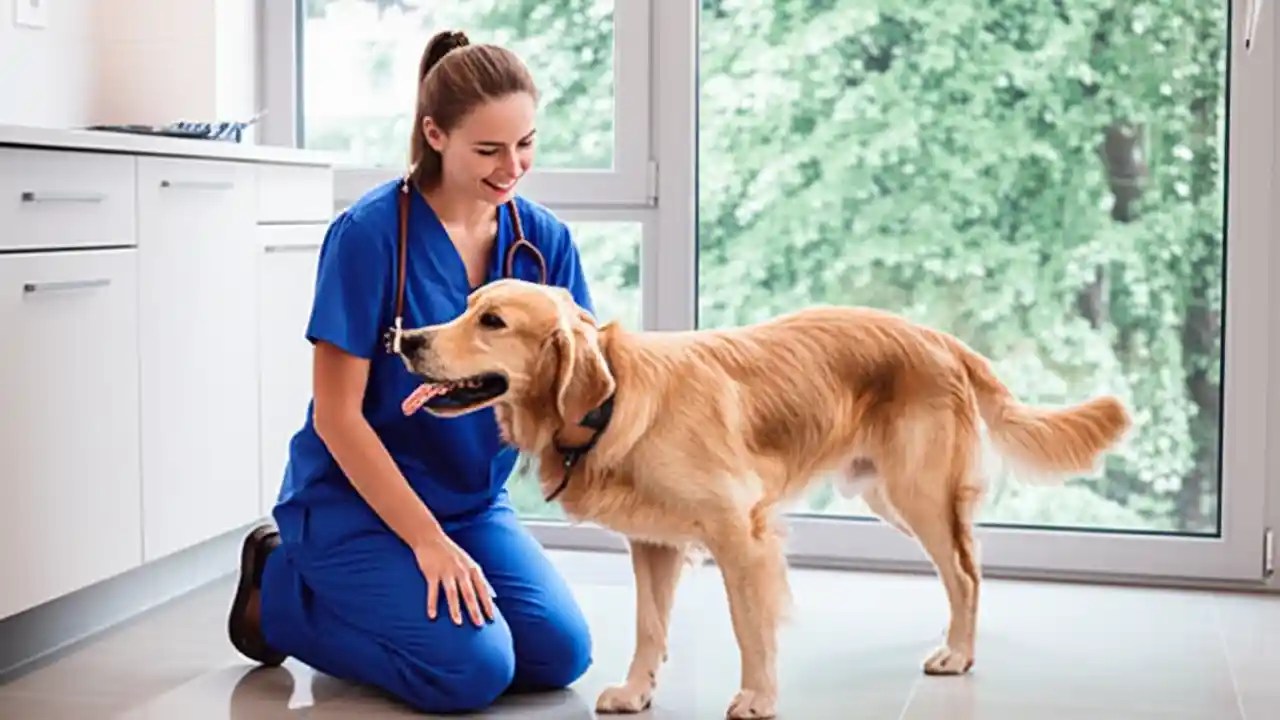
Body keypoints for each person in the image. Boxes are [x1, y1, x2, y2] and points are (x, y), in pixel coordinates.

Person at [226, 30, 596, 714]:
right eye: (487, 150)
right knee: (473, 672)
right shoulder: (369, 235)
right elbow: (336, 416)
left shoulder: (543, 243)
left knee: (558, 655)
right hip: (353, 502)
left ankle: (403, 607)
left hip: (471, 503)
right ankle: (276, 592)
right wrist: (425, 541)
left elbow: (576, 381)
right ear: (434, 133)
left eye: (526, 143)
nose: (512, 166)